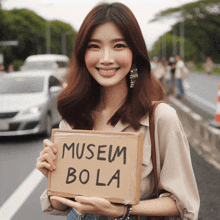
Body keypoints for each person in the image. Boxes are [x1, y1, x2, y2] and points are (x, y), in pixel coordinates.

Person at [36, 2, 200, 220]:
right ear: (83, 53)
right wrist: (53, 175)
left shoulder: (160, 117)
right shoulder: (72, 119)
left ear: (135, 53)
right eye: (94, 46)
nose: (106, 58)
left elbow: (183, 204)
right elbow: (61, 203)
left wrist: (124, 209)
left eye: (119, 46)